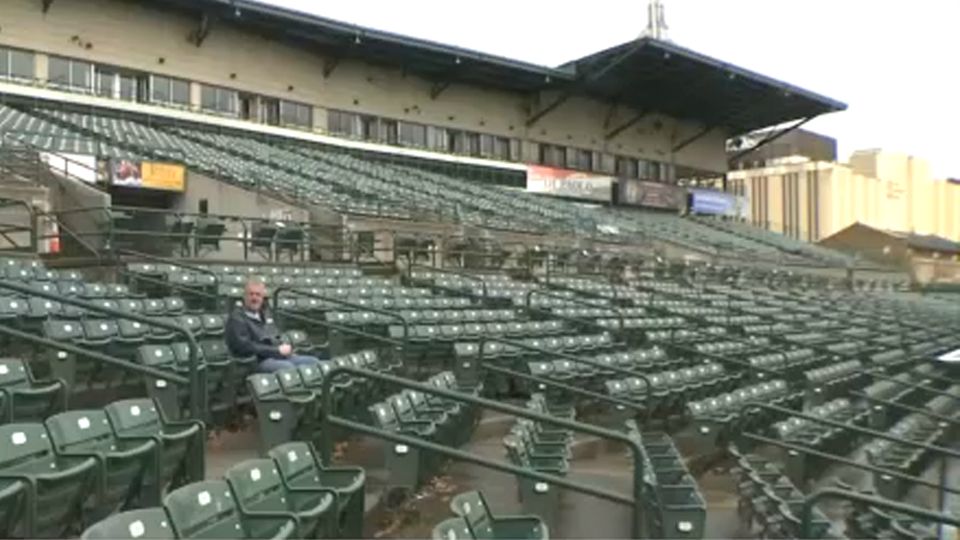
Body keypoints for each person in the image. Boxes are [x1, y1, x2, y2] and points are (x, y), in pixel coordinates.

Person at [225, 279, 323, 372]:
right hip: (256, 361)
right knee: (287, 367)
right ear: (245, 296)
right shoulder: (237, 318)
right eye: (251, 294)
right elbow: (245, 347)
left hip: (275, 356)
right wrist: (276, 350)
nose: (254, 298)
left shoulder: (265, 314)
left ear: (262, 297)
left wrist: (284, 348)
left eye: (258, 295)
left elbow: (275, 336)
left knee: (313, 362)